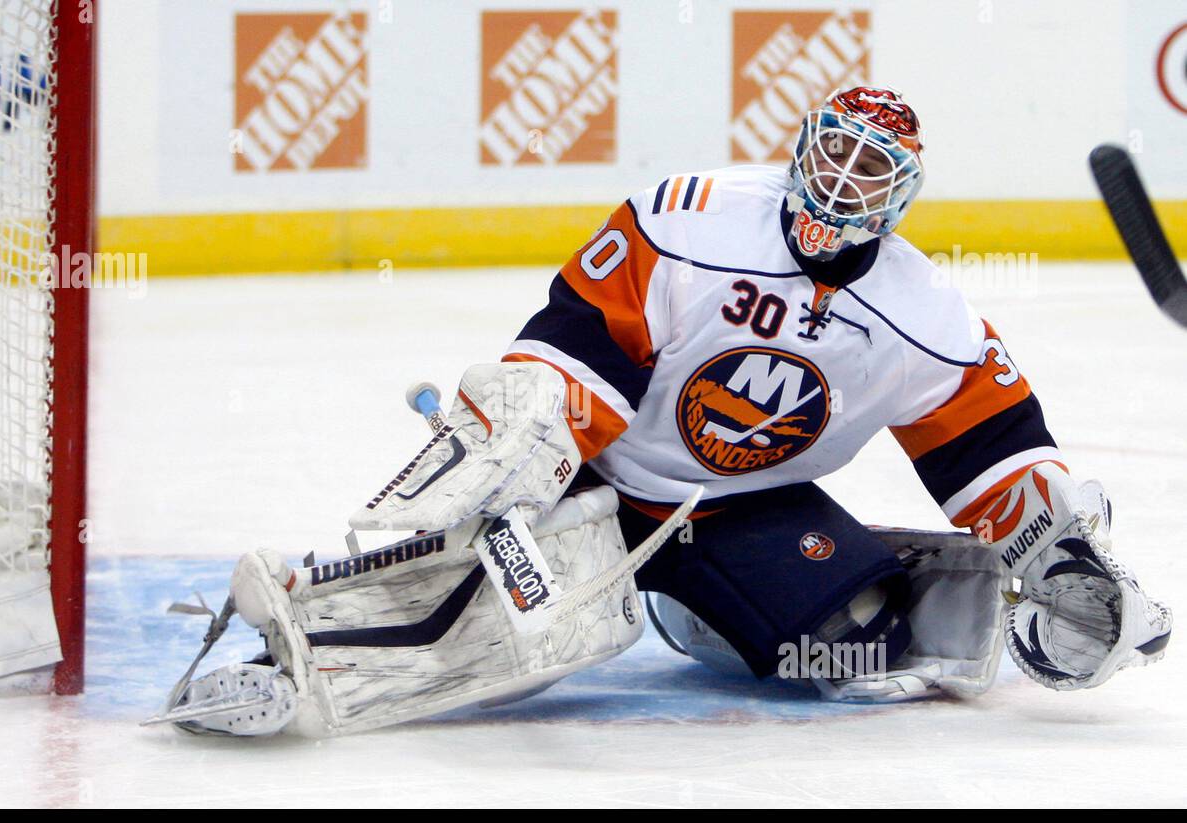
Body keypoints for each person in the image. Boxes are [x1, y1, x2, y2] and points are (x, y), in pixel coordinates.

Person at [156, 87, 1170, 737]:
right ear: (801, 147)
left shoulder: (925, 312)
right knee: (514, 628)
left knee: (853, 641)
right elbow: (576, 346)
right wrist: (534, 441)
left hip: (741, 505)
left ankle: (717, 609)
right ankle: (283, 665)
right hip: (610, 476)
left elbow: (989, 444)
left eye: (869, 173)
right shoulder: (685, 218)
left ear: (900, 196)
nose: (837, 184)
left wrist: (1061, 541)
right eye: (831, 155)